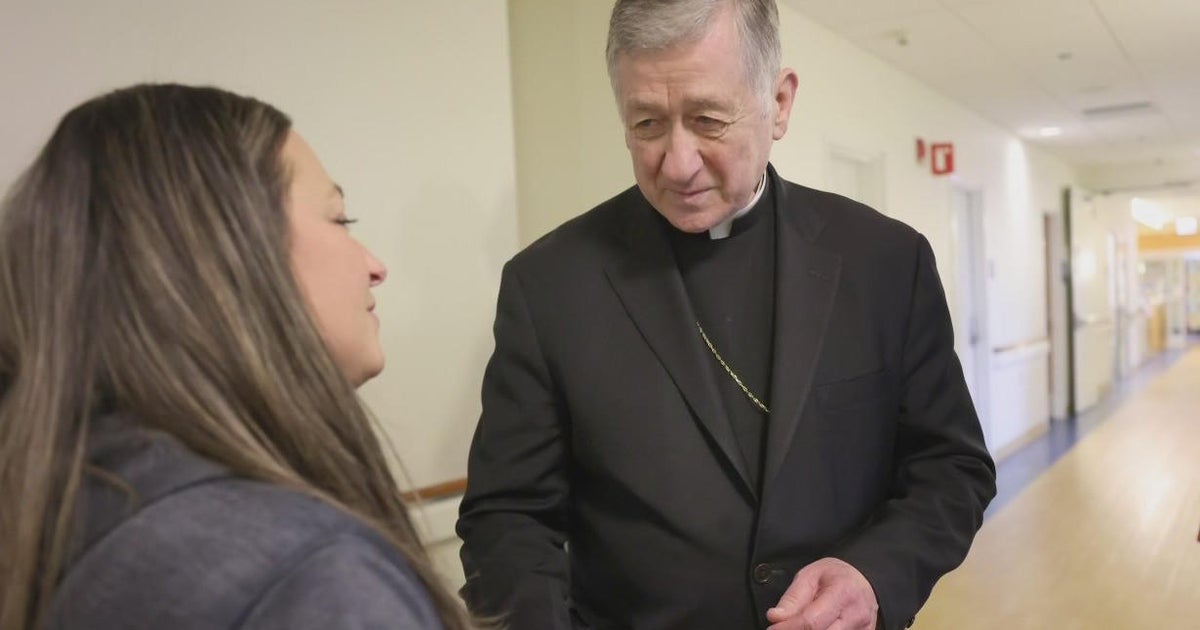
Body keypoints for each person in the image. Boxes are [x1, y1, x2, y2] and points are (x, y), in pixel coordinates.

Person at [456, 1, 996, 628]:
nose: (677, 163)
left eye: (707, 119)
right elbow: (508, 517)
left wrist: (875, 575)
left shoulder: (884, 261)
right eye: (647, 124)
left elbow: (951, 467)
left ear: (780, 103)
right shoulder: (548, 285)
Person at [0, 84, 475, 630]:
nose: (375, 266)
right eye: (341, 220)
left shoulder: (60, 504)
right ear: (222, 254)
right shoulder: (309, 575)